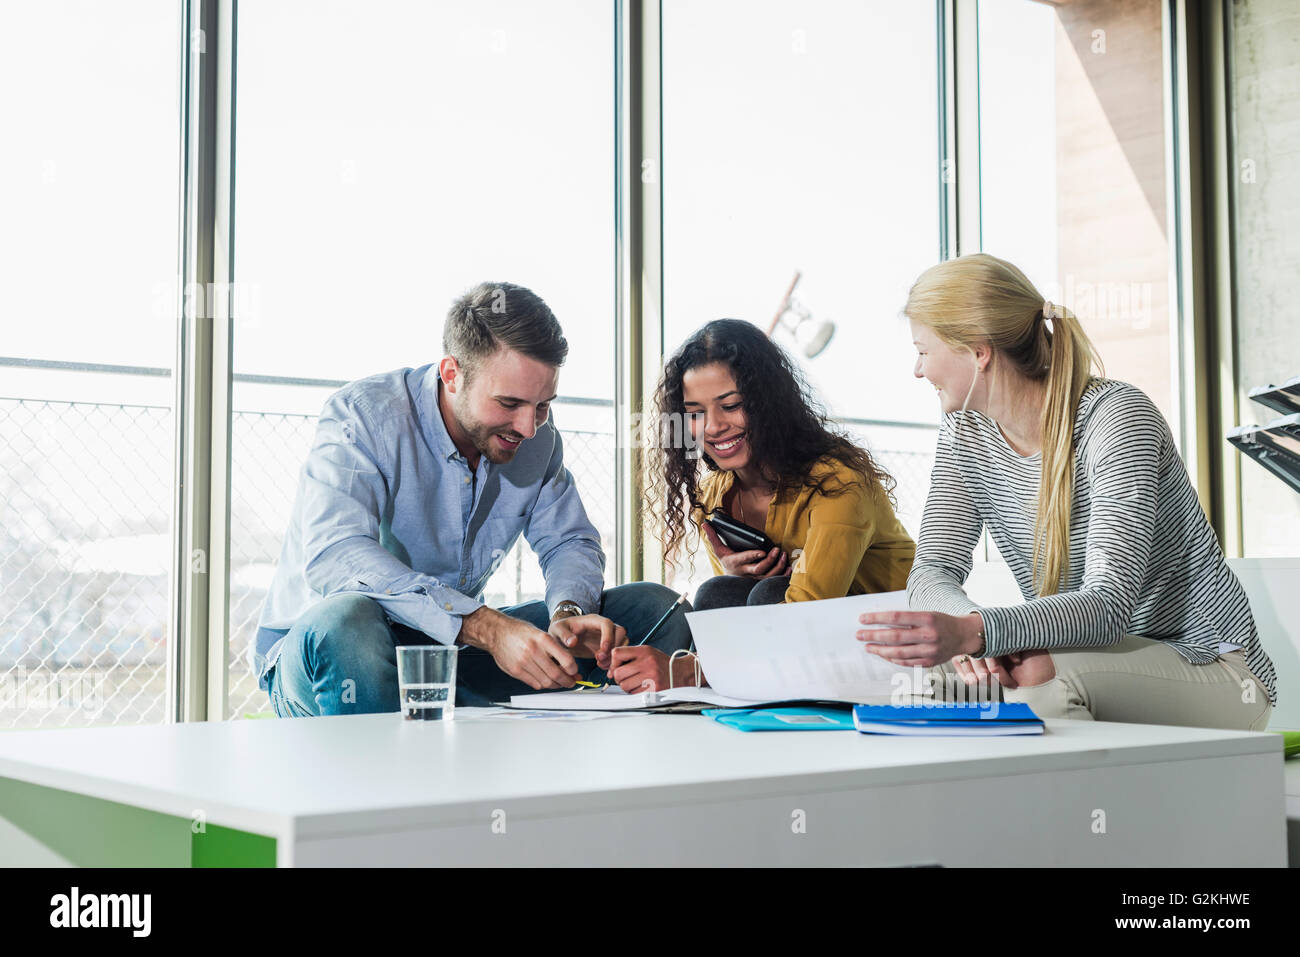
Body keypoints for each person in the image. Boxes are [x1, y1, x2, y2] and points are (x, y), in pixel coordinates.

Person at [857, 253, 1276, 730]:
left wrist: (979, 633)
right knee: (909, 678)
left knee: (1041, 677)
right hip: (1096, 655)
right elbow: (932, 569)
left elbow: (1109, 606)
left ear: (978, 351)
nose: (917, 370)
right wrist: (968, 634)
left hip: (1214, 668)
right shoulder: (965, 433)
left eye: (924, 350)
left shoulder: (1116, 418)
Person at [254, 281, 692, 716]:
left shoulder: (537, 437)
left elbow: (568, 541)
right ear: (452, 374)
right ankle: (398, 775)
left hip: (451, 654)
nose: (528, 427)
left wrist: (567, 613)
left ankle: (608, 767)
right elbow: (337, 553)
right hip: (333, 653)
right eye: (509, 403)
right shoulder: (362, 417)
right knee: (348, 622)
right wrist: (485, 628)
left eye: (543, 405)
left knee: (654, 610)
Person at [609, 318, 915, 693]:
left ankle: (721, 685)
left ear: (769, 404)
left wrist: (689, 669)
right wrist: (738, 572)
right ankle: (736, 702)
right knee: (719, 591)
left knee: (770, 596)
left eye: (732, 405)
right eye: (695, 413)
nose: (713, 427)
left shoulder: (840, 481)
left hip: (894, 641)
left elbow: (805, 611)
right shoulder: (715, 496)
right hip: (806, 644)